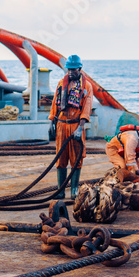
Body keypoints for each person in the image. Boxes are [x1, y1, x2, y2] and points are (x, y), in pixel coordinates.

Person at [48, 54, 92, 199]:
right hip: (61, 125)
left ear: (80, 68)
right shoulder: (61, 83)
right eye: (69, 69)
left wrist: (80, 127)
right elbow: (55, 102)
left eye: (73, 69)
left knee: (76, 159)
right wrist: (51, 122)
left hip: (75, 126)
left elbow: (86, 108)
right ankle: (60, 191)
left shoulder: (87, 86)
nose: (71, 72)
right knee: (61, 159)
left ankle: (73, 191)